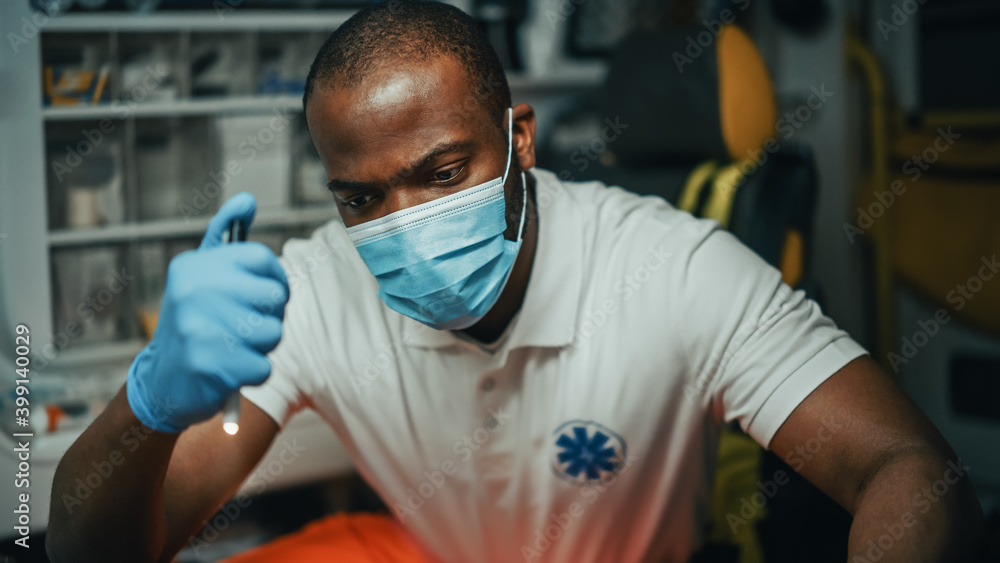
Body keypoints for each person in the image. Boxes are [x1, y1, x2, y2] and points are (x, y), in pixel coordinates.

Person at [46, 2, 982, 562]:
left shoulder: (671, 266)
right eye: (363, 195)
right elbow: (102, 552)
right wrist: (148, 402)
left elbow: (909, 466)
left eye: (444, 172)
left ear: (519, 141)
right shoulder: (316, 289)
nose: (405, 219)